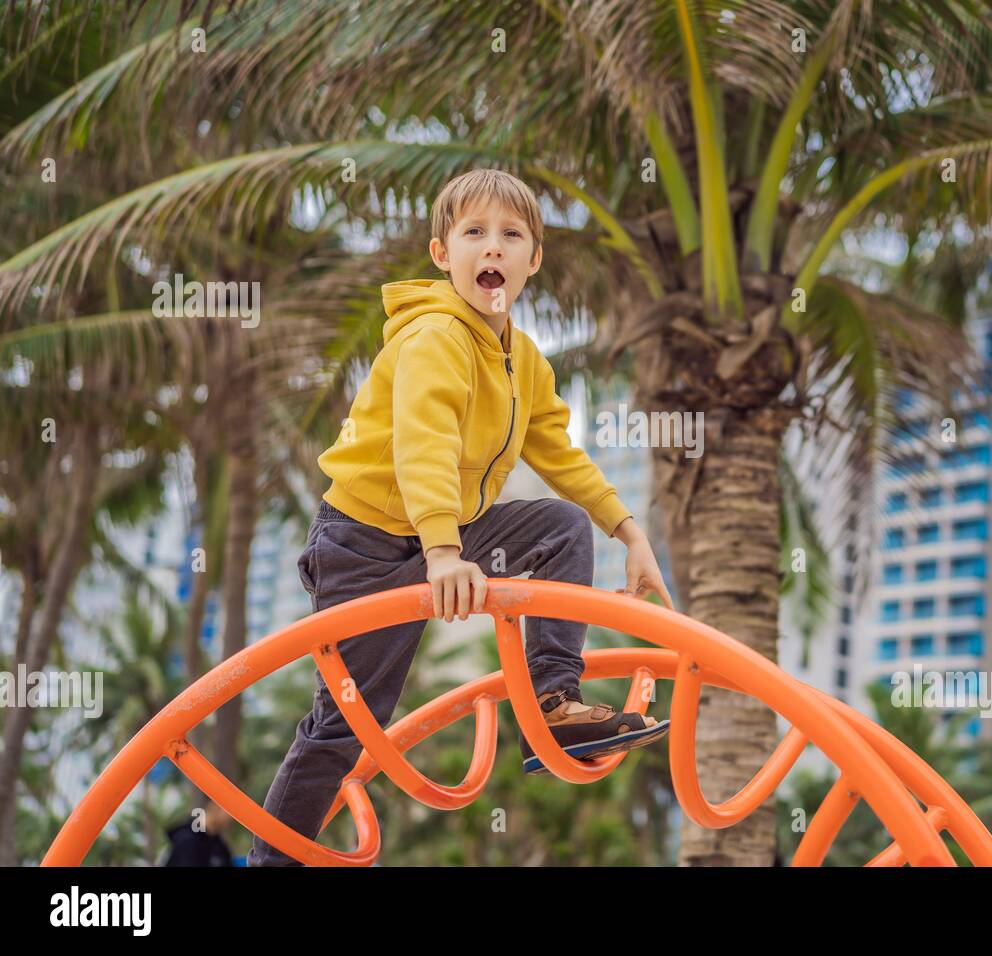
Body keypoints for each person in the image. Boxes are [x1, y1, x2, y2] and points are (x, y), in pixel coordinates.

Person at [247, 169, 674, 866]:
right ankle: (273, 861)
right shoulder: (435, 338)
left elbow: (558, 453)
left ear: (534, 260)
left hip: (443, 535)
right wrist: (445, 554)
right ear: (443, 254)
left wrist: (629, 530)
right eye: (474, 233)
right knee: (346, 726)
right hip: (362, 543)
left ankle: (553, 706)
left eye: (511, 236)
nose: (493, 250)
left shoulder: (522, 359)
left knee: (563, 527)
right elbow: (425, 445)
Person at [163, 800, 234, 866]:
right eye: (228, 811)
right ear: (215, 806)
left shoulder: (219, 846)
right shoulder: (187, 839)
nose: (231, 817)